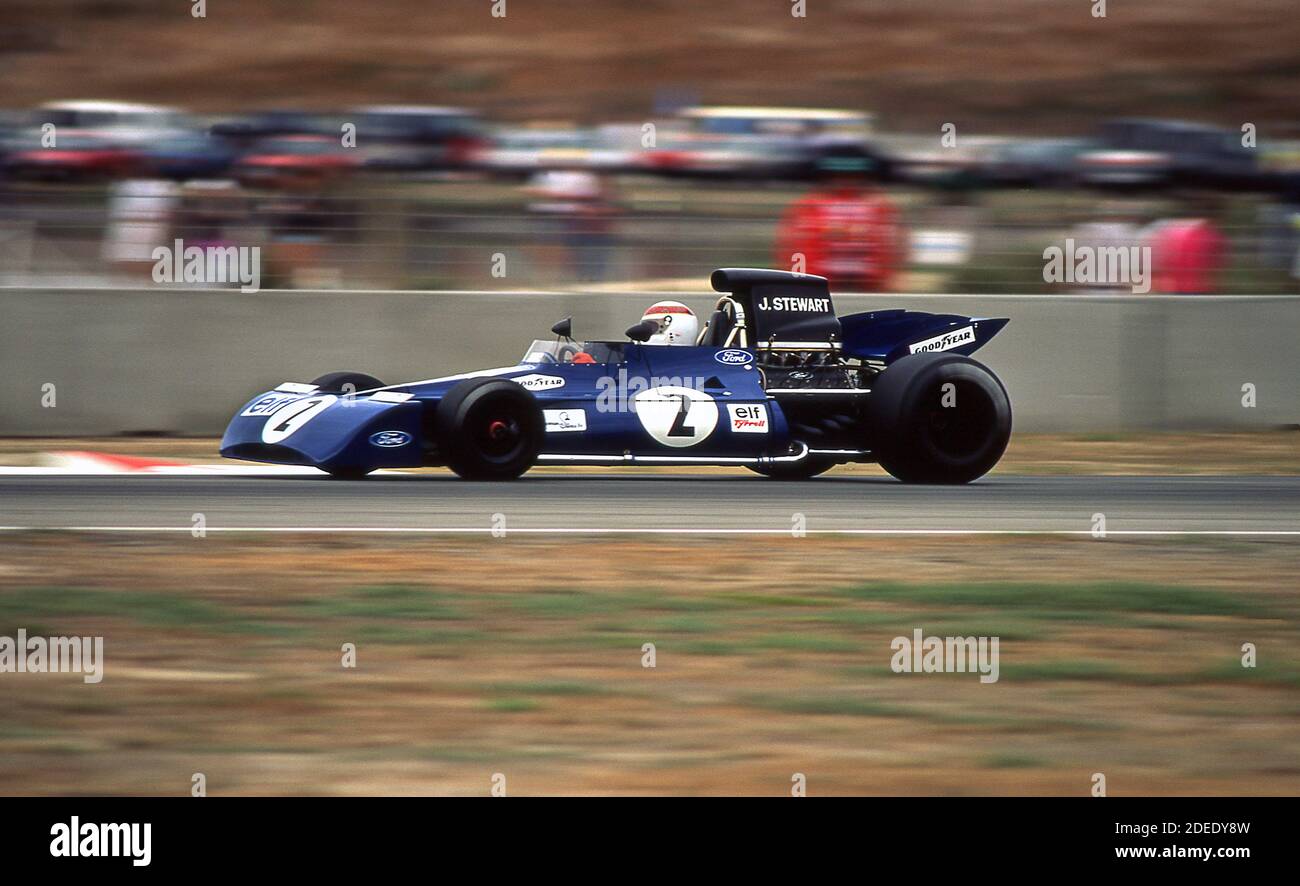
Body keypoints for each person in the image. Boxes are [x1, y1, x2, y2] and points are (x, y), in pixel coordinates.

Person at [774, 144, 901, 291]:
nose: (845, 180)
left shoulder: (879, 208)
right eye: (839, 174)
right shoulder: (808, 207)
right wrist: (798, 280)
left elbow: (893, 248)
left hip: (867, 286)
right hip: (821, 285)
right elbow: (793, 248)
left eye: (853, 175)